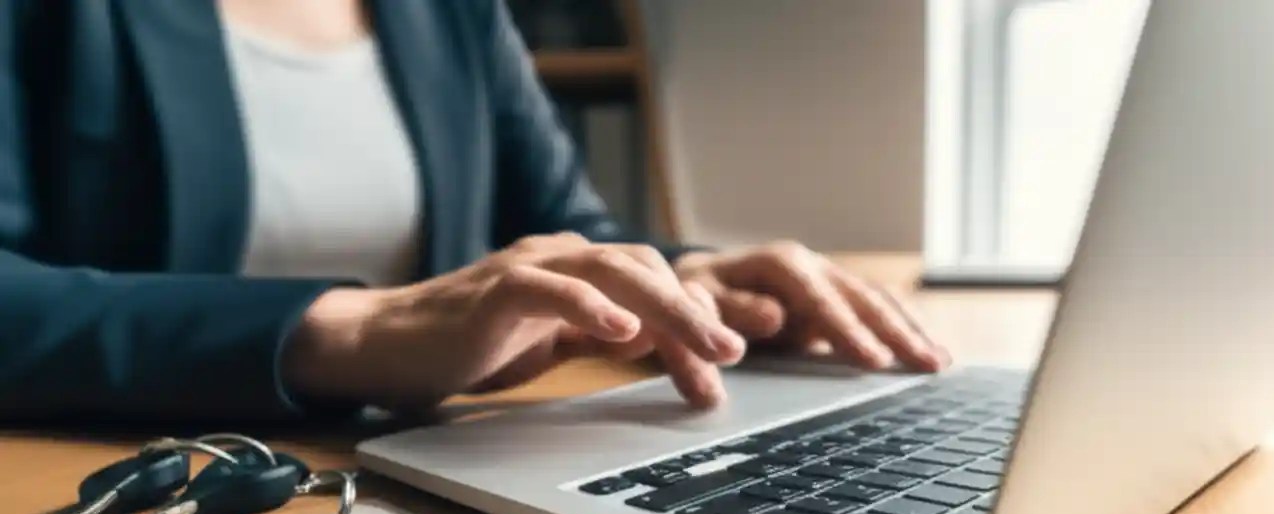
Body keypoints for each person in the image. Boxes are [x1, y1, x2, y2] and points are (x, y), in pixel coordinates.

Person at [0, 0, 949, 422]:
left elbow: (567, 224)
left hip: (408, 484)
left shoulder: (448, 9)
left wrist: (684, 275)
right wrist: (346, 329)